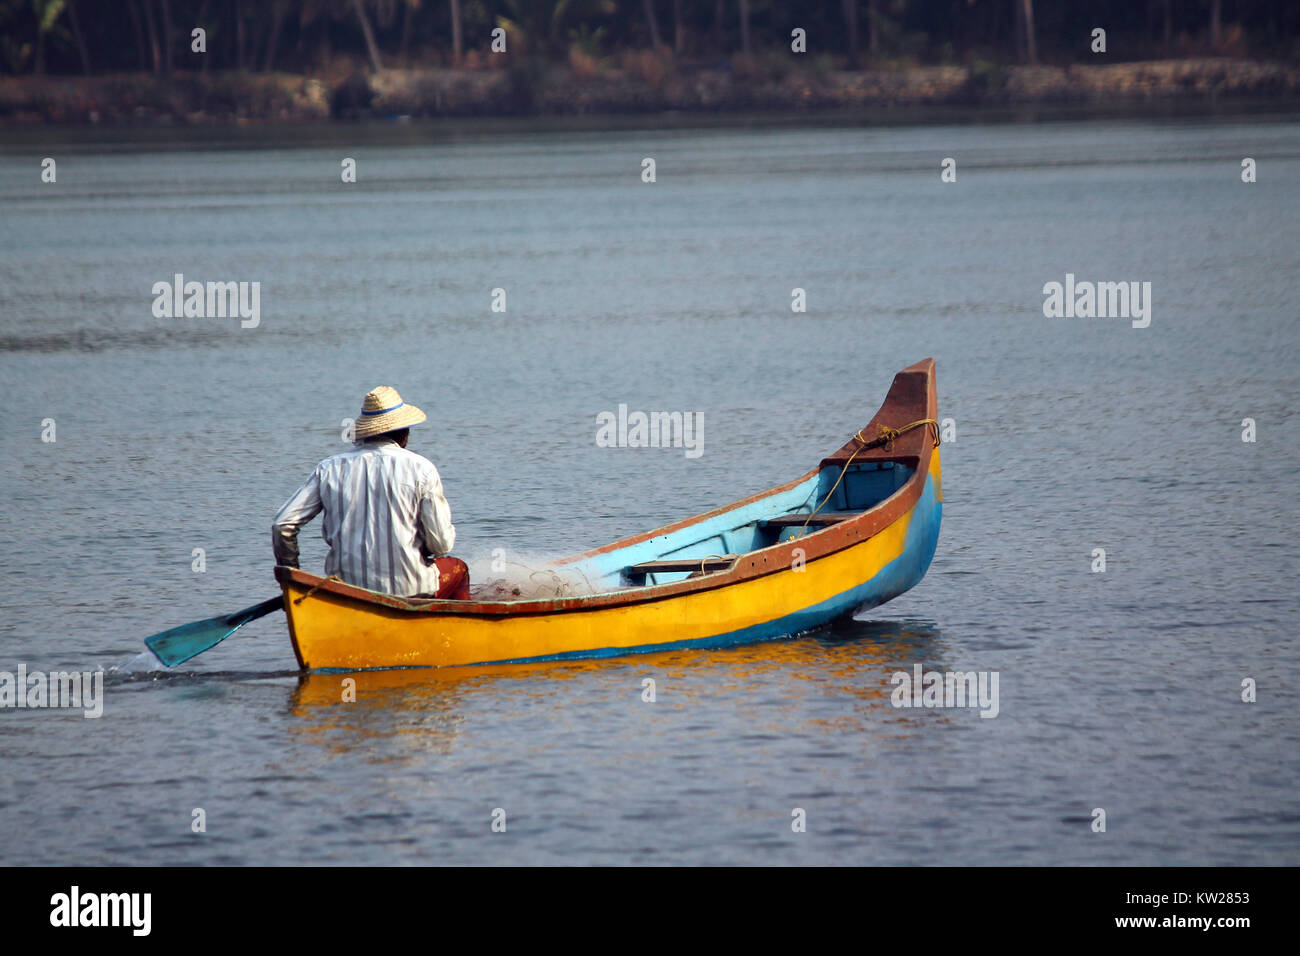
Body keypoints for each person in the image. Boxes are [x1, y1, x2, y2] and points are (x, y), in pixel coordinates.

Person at [272, 385, 470, 600]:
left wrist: (292, 579)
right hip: (411, 589)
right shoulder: (421, 468)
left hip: (345, 591)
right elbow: (441, 545)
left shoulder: (329, 468)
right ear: (404, 433)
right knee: (459, 569)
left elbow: (282, 525)